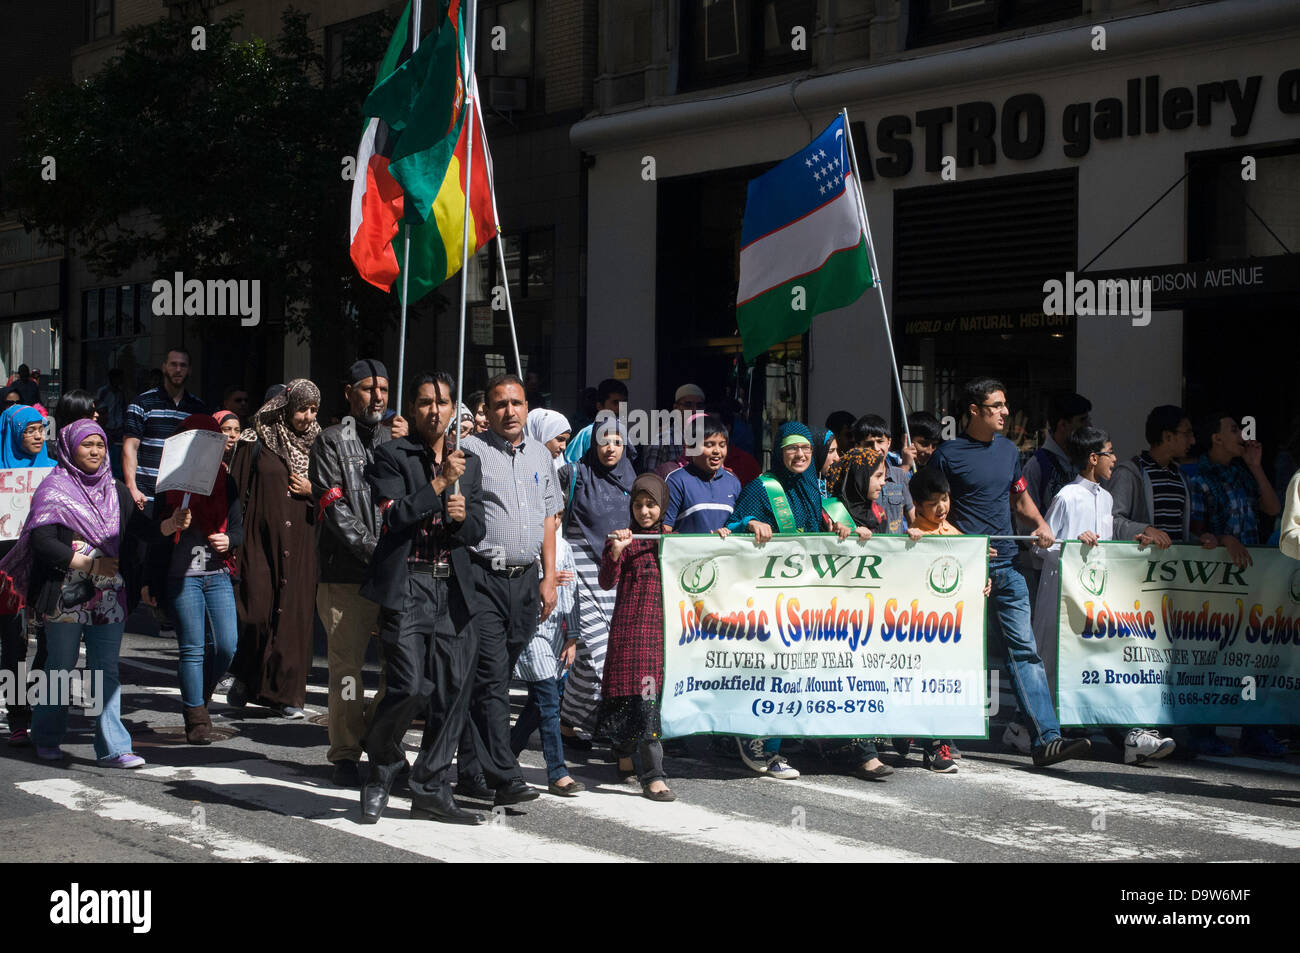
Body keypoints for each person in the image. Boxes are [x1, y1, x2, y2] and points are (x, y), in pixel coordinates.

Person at [928, 377, 1090, 767]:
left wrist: (1040, 524)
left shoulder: (1007, 451)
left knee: (1025, 651)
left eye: (1005, 405)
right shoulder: (947, 455)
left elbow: (1019, 497)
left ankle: (1046, 740)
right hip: (963, 571)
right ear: (974, 411)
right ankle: (940, 740)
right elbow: (931, 512)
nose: (1005, 412)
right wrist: (968, 556)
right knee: (956, 654)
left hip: (1008, 565)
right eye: (997, 406)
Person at [358, 372, 487, 825]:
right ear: (412, 409)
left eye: (444, 402)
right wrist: (437, 487)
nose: (436, 410)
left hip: (453, 585)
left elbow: (477, 532)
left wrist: (460, 517)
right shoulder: (392, 456)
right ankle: (383, 762)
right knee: (408, 686)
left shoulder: (466, 461)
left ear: (454, 410)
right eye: (427, 402)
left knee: (453, 691)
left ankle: (431, 785)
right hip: (408, 583)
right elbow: (393, 517)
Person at [726, 422, 880, 780]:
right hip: (767, 598)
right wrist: (751, 523)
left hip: (806, 600)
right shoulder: (761, 489)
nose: (800, 455)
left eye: (806, 450)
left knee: (796, 668)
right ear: (779, 453)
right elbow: (731, 526)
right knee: (771, 668)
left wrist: (840, 530)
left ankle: (779, 737)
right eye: (792, 449)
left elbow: (819, 535)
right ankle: (758, 742)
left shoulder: (815, 489)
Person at [0, 420, 152, 766]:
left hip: (109, 596)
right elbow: (42, 541)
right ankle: (47, 736)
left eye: (100, 445)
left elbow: (143, 532)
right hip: (64, 594)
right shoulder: (54, 488)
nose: (96, 451)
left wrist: (171, 524)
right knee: (60, 665)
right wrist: (89, 565)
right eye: (87, 445)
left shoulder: (117, 491)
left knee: (105, 671)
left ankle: (114, 747)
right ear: (70, 448)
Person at [1034, 426, 1176, 766]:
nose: (1115, 459)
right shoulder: (1067, 496)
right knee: (1052, 660)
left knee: (1100, 661)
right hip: (1062, 594)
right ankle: (1028, 728)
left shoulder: (1107, 499)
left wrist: (1134, 542)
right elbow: (1043, 548)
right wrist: (1070, 543)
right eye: (1110, 453)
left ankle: (1127, 736)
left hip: (1097, 596)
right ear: (1093, 458)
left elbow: (1107, 547)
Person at [454, 373, 560, 807]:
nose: (509, 411)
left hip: (526, 581)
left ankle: (469, 769)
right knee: (493, 677)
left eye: (516, 403)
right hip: (483, 578)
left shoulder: (540, 454)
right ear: (488, 411)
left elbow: (550, 518)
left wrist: (549, 578)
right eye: (500, 404)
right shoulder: (470, 451)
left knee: (496, 676)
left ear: (527, 406)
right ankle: (504, 774)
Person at [309, 359, 407, 786]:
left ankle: (379, 739)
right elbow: (334, 507)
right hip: (346, 573)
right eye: (369, 389)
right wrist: (376, 550)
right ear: (349, 393)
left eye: (384, 389)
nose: (378, 397)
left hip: (395, 575)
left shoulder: (397, 438)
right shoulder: (329, 441)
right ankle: (346, 752)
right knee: (347, 671)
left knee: (402, 670)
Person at [1186, 410, 1285, 757]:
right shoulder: (1198, 477)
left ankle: (1254, 729)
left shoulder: (1242, 473)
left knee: (1253, 655)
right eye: (1232, 429)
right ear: (1216, 438)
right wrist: (1224, 538)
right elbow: (1196, 532)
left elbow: (1273, 509)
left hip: (1251, 579)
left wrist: (1256, 465)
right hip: (1217, 582)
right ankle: (1203, 730)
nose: (1241, 433)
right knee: (1211, 653)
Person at [227, 379, 321, 719]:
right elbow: (234, 493)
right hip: (258, 538)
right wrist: (232, 541)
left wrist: (313, 488)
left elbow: (334, 493)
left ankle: (286, 695)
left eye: (313, 409)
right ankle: (245, 676)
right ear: (284, 407)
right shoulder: (254, 441)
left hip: (302, 541)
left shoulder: (319, 444)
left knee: (293, 617)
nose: (307, 416)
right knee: (254, 611)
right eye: (301, 408)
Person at [155, 415, 243, 744]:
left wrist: (230, 540)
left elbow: (238, 527)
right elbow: (155, 532)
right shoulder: (169, 483)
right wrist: (173, 522)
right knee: (192, 648)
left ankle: (200, 695)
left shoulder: (226, 480)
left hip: (218, 571)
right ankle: (195, 717)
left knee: (226, 646)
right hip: (183, 576)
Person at [557, 415, 636, 743]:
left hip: (615, 572)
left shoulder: (633, 480)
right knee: (597, 653)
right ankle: (608, 728)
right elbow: (551, 518)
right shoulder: (573, 474)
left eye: (617, 442)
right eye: (604, 441)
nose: (610, 448)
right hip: (578, 573)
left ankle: (566, 718)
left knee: (600, 656)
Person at [600, 473, 675, 801]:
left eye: (651, 505)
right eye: (638, 505)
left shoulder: (673, 542)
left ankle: (652, 772)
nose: (644, 511)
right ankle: (629, 755)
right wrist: (616, 551)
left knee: (647, 702)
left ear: (663, 506)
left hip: (659, 634)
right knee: (626, 695)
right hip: (629, 630)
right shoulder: (622, 538)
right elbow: (606, 581)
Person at [511, 489, 583, 797]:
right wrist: (547, 580)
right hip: (534, 631)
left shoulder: (565, 548)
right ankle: (557, 772)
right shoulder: (526, 547)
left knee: (539, 704)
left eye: (555, 517)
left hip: (558, 633)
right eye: (546, 517)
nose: (551, 523)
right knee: (550, 704)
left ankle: (505, 753)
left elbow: (575, 594)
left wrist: (573, 637)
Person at [0, 405, 56, 746]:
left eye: (41, 430)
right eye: (30, 430)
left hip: (47, 566)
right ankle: (17, 715)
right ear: (13, 433)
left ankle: (33, 693)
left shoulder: (52, 471)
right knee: (14, 644)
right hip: (7, 572)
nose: (38, 436)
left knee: (52, 641)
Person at [662, 414, 741, 535]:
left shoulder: (733, 482)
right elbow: (665, 532)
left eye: (722, 445)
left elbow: (739, 525)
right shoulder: (676, 481)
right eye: (709, 445)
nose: (717, 451)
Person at [1023, 392, 1092, 515]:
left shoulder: (1090, 460)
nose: (1089, 426)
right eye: (1082, 420)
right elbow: (1026, 519)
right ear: (1063, 425)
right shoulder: (1036, 466)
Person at [846, 415, 915, 531]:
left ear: (889, 442)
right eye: (868, 444)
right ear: (858, 446)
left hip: (895, 547)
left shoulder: (899, 475)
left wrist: (914, 532)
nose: (876, 448)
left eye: (880, 441)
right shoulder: (851, 477)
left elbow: (912, 517)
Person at [639, 383, 706, 473]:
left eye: (699, 406)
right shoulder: (662, 441)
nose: (694, 410)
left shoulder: (707, 439)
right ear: (676, 408)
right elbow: (651, 480)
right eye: (688, 405)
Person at [564, 378, 627, 464]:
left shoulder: (624, 433)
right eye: (615, 403)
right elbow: (570, 467)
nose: (620, 408)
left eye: (623, 403)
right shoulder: (588, 433)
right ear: (600, 406)